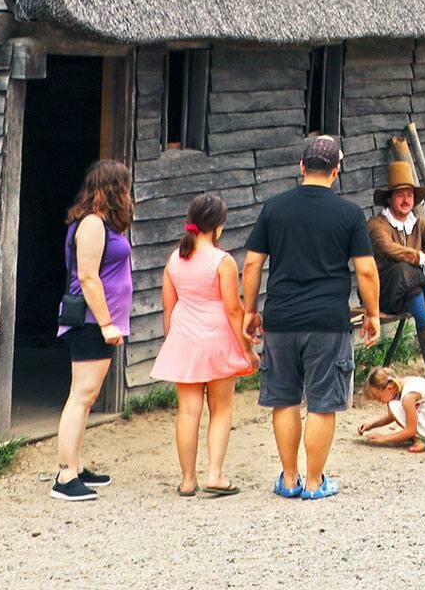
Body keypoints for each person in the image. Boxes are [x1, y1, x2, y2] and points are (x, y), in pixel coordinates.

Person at [241, 135, 380, 501]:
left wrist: (250, 310)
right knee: (322, 402)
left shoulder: (274, 208)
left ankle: (289, 479)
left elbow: (253, 262)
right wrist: (373, 313)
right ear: (336, 171)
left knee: (284, 398)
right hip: (327, 320)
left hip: (282, 317)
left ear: (302, 167)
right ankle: (316, 482)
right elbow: (366, 271)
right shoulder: (349, 214)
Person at [151, 193, 256, 498]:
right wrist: (246, 348)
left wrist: (173, 341)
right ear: (218, 227)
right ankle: (215, 474)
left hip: (184, 337)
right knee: (221, 408)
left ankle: (187, 479)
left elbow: (168, 307)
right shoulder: (222, 261)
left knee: (187, 411)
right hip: (218, 338)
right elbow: (233, 309)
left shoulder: (175, 259)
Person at [49, 160, 134, 502]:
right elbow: (87, 277)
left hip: (96, 322)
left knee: (86, 396)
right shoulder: (93, 225)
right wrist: (105, 323)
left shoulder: (99, 224)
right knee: (81, 395)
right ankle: (65, 475)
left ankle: (77, 465)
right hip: (89, 322)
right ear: (114, 188)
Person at [368, 157, 425, 343]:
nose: (406, 200)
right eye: (400, 195)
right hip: (384, 295)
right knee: (406, 269)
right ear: (390, 198)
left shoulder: (417, 224)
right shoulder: (376, 224)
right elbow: (390, 249)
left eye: (410, 195)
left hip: (413, 291)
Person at [357, 366, 425, 453]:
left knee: (392, 405)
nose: (379, 401)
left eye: (378, 397)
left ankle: (423, 440)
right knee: (393, 406)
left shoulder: (407, 397)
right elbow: (392, 416)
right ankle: (417, 437)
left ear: (389, 388)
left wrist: (383, 438)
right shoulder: (404, 384)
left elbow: (410, 430)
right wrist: (371, 425)